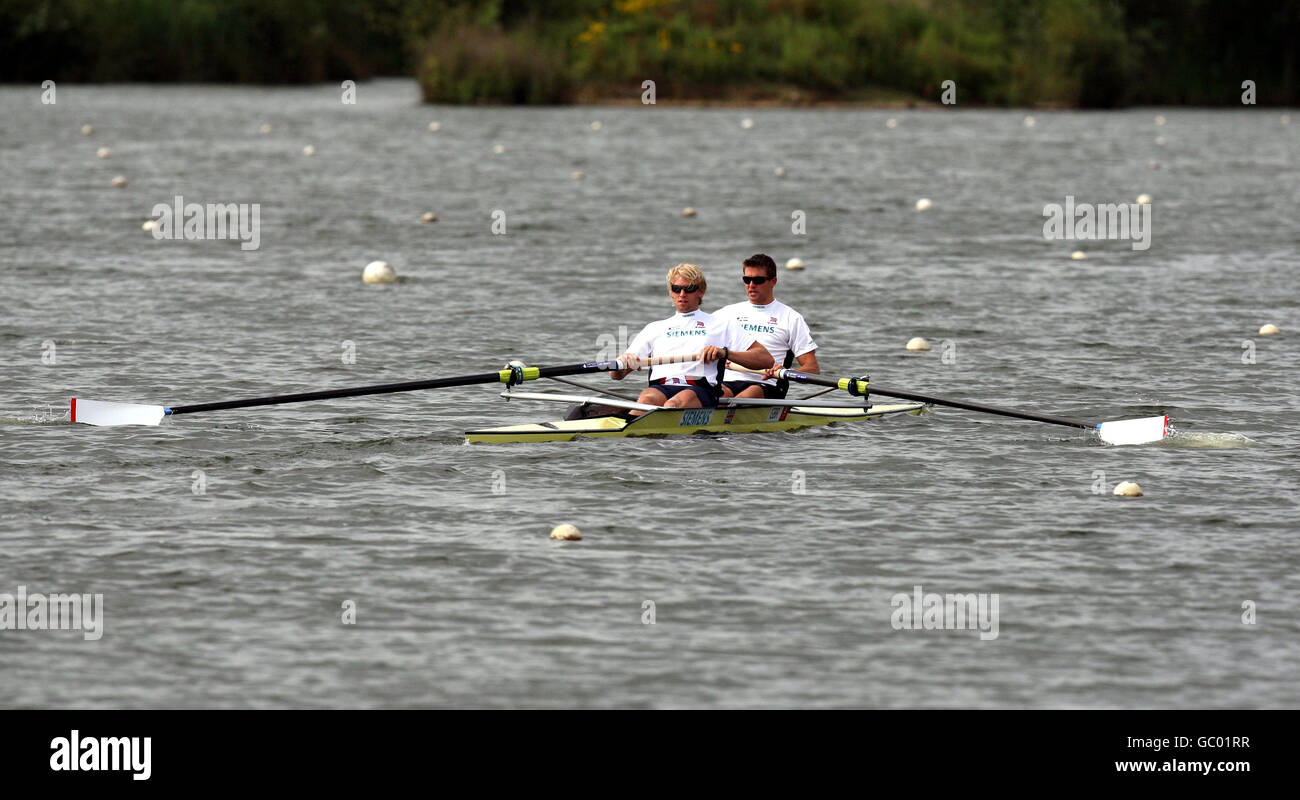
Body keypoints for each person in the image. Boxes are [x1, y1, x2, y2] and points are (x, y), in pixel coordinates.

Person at [611, 263, 773, 411]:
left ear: (701, 291)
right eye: (676, 289)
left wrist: (725, 353)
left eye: (688, 289)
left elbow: (765, 359)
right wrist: (623, 363)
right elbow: (616, 376)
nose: (682, 294)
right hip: (662, 386)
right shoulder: (654, 328)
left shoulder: (721, 325)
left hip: (701, 389)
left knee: (673, 404)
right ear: (670, 292)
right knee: (646, 399)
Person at [712, 254, 820, 399]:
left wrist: (785, 371)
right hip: (727, 382)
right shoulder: (725, 313)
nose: (751, 285)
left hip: (767, 384)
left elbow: (812, 368)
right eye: (747, 279)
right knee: (716, 396)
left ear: (773, 281)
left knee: (746, 396)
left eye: (758, 280)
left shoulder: (791, 318)